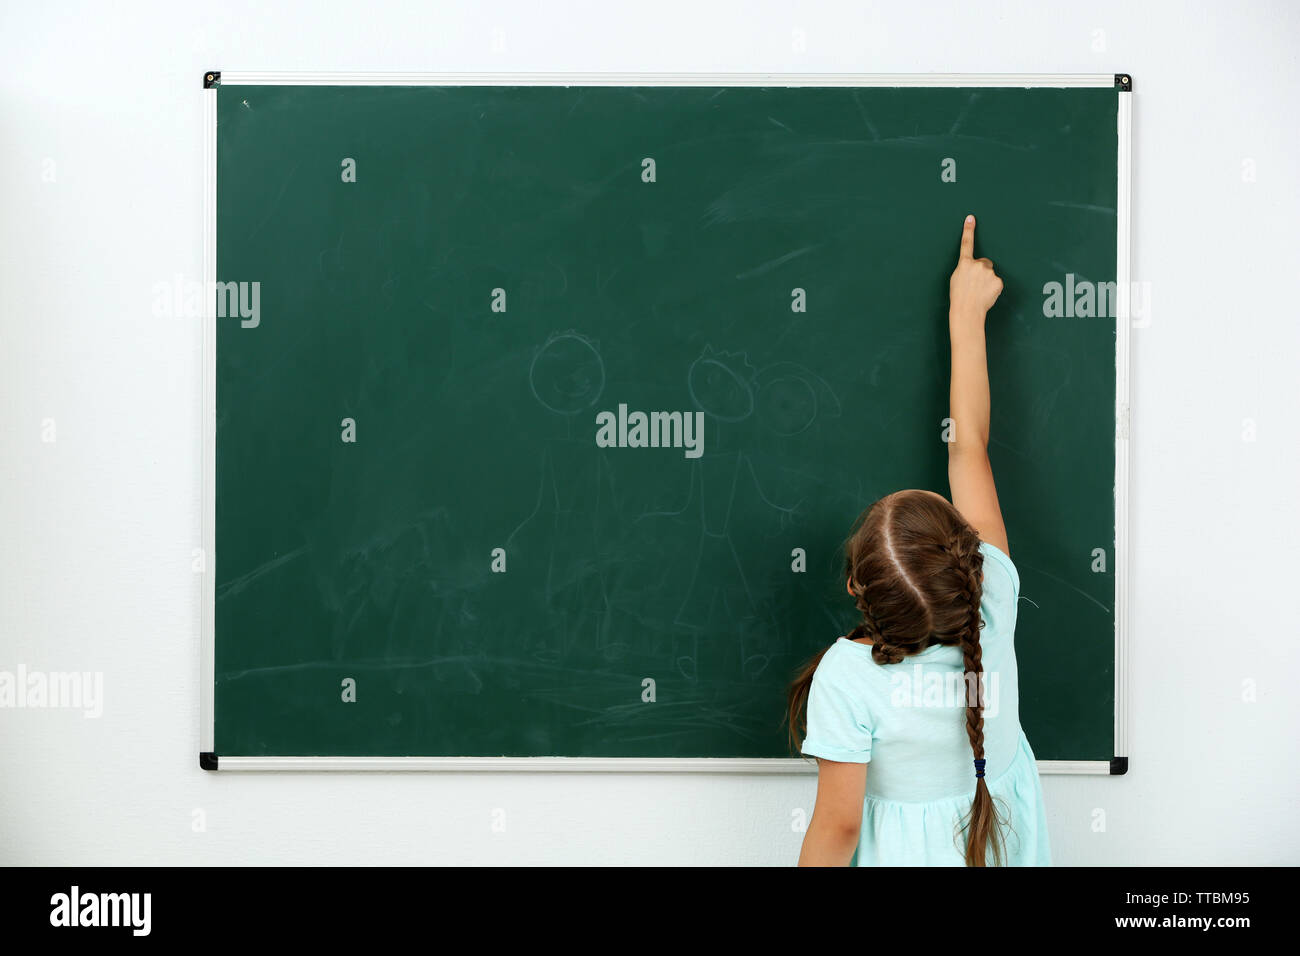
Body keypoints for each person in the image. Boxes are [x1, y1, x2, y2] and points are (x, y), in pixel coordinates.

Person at [789, 215, 1051, 866]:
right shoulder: (992, 600)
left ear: (858, 590)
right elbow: (968, 450)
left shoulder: (847, 678)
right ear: (965, 559)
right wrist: (968, 317)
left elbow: (837, 830)